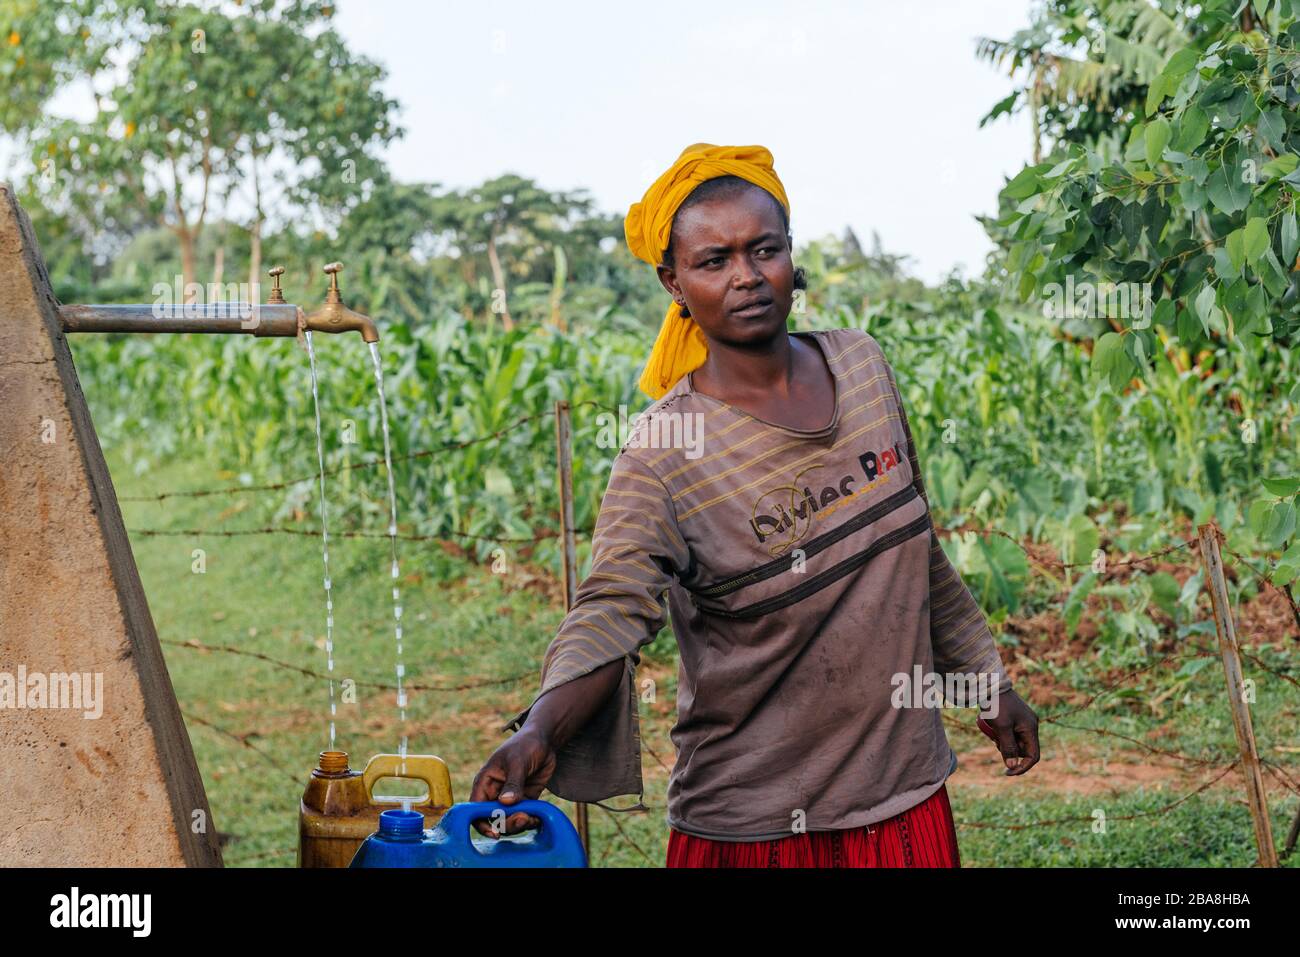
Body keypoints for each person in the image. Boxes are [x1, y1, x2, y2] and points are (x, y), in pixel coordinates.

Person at [470, 143, 1040, 867]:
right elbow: (611, 608)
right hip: (755, 828)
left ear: (791, 256)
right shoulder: (665, 451)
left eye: (763, 249)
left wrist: (989, 684)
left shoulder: (862, 366)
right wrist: (540, 732)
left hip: (903, 800)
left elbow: (915, 549)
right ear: (672, 280)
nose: (746, 276)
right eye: (714, 261)